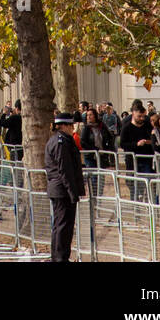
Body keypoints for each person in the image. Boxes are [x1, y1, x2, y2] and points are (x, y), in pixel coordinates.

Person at [44, 112, 86, 262]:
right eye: (70, 125)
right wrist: (72, 192)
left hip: (59, 189)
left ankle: (58, 256)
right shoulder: (61, 142)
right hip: (62, 190)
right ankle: (60, 257)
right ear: (64, 125)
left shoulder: (57, 140)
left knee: (60, 225)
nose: (72, 128)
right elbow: (65, 169)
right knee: (64, 227)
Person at [119, 102, 154, 202]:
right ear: (133, 114)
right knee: (133, 185)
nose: (142, 119)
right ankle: (136, 205)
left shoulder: (147, 126)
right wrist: (136, 144)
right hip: (132, 161)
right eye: (139, 116)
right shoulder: (126, 128)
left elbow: (153, 139)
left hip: (146, 159)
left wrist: (149, 142)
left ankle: (147, 204)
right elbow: (122, 144)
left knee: (147, 182)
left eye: (143, 116)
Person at [79, 106, 115, 197]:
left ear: (95, 116)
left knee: (101, 178)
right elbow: (83, 142)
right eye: (87, 115)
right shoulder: (86, 128)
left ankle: (98, 197)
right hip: (91, 156)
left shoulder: (102, 126)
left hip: (102, 155)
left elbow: (110, 137)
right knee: (94, 178)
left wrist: (107, 148)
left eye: (90, 115)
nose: (88, 117)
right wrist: (94, 149)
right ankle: (93, 197)